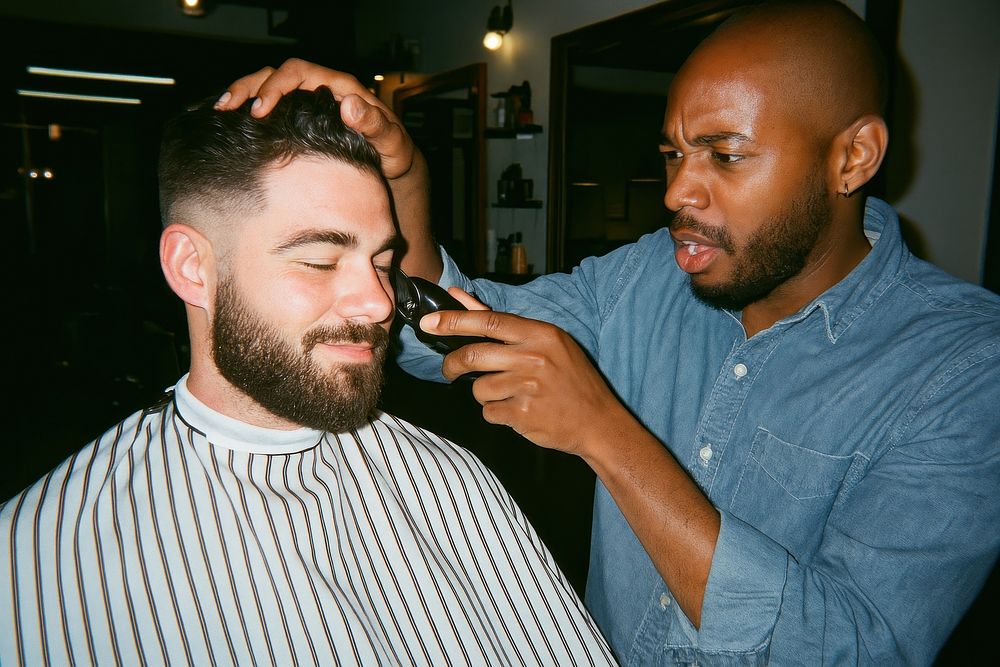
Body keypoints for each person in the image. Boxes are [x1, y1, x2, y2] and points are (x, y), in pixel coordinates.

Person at [219, 1, 1000, 664]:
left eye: (725, 155)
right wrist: (405, 176)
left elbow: (860, 647)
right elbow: (446, 337)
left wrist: (605, 432)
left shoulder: (967, 365)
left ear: (853, 157)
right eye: (673, 153)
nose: (677, 192)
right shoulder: (648, 276)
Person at [0, 88, 616, 665]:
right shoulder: (38, 554)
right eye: (320, 261)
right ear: (192, 269)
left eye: (382, 260)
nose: (378, 303)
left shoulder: (452, 476)